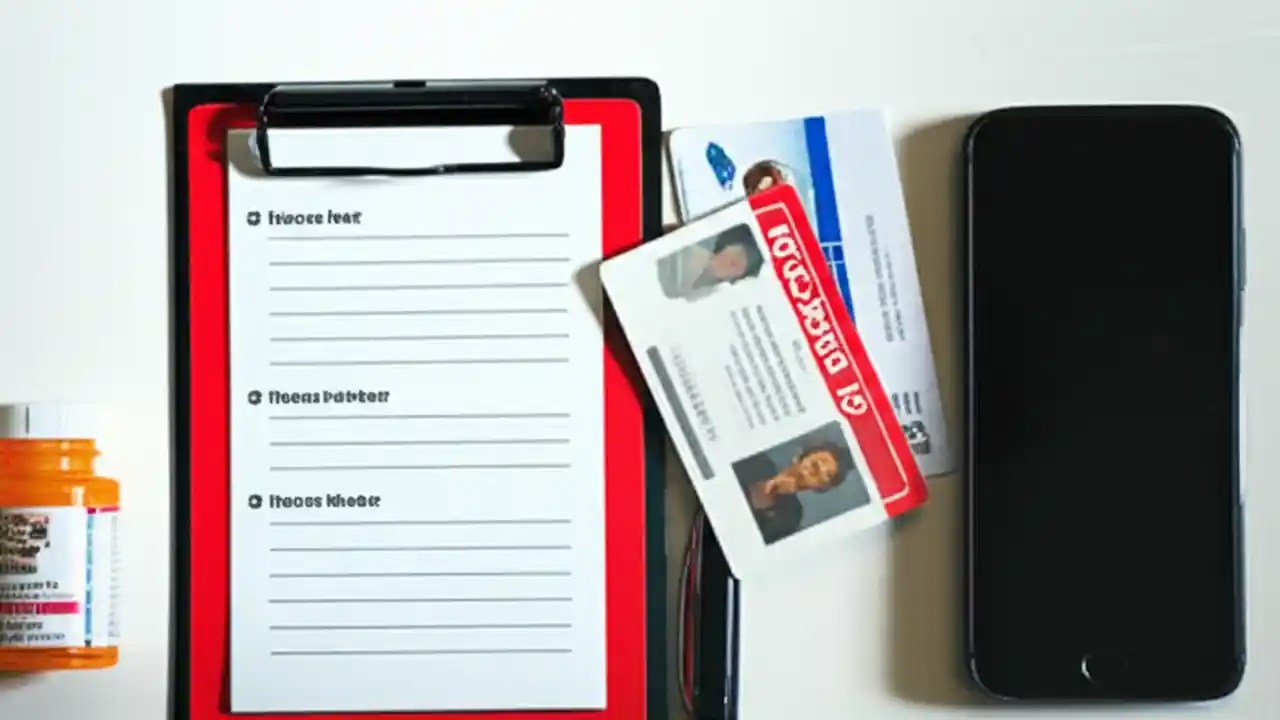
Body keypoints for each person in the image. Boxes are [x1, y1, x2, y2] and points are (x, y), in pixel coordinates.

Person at [734, 441, 855, 544]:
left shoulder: (791, 516)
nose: (820, 470)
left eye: (828, 475)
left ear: (822, 487)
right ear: (802, 456)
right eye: (820, 461)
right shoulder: (756, 461)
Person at [659, 225, 765, 299]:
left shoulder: (724, 233)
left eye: (686, 251)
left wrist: (744, 251)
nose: (692, 256)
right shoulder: (722, 297)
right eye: (686, 259)